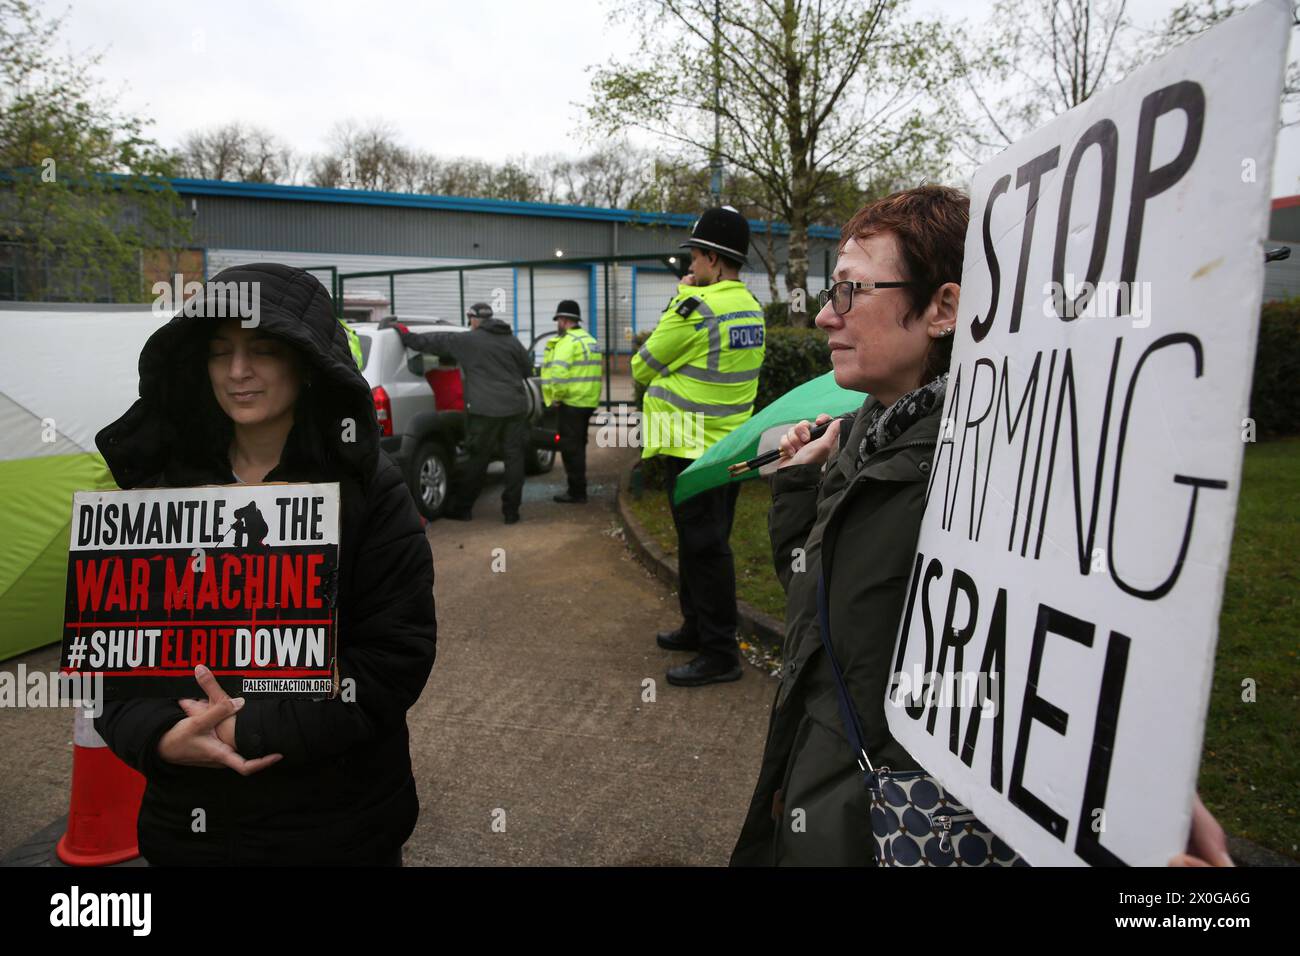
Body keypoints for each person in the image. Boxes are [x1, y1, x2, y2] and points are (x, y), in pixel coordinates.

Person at [730, 186, 1233, 867]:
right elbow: (816, 615)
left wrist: (1137, 791)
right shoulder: (867, 432)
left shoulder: (994, 470)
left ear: (943, 307)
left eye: (850, 291)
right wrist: (799, 482)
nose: (824, 315)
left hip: (891, 819)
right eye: (830, 292)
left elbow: (1058, 651)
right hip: (821, 794)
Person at [93, 263, 437, 866]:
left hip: (336, 827)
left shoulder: (369, 490)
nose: (237, 372)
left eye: (262, 350)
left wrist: (246, 731)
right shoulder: (159, 494)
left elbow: (393, 657)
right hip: (189, 830)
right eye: (219, 351)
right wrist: (159, 739)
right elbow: (119, 665)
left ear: (305, 363)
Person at [631, 205, 765, 687]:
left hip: (691, 448)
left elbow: (642, 365)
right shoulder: (750, 306)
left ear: (711, 257)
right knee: (702, 544)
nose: (690, 266)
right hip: (730, 445)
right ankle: (697, 627)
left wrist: (678, 299)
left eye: (694, 256)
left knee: (705, 550)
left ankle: (720, 653)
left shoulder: (694, 308)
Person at [386, 303, 532, 524]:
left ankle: (463, 508)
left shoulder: (468, 340)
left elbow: (434, 342)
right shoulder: (511, 340)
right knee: (514, 458)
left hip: (485, 411)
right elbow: (527, 370)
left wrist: (405, 336)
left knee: (478, 459)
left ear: (474, 319)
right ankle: (511, 513)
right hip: (515, 407)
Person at [541, 299, 601, 503]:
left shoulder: (567, 342)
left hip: (571, 403)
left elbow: (559, 375)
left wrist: (556, 397)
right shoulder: (590, 340)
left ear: (564, 320)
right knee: (579, 446)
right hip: (587, 402)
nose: (557, 324)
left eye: (558, 320)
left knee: (570, 449)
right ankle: (579, 488)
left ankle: (577, 492)